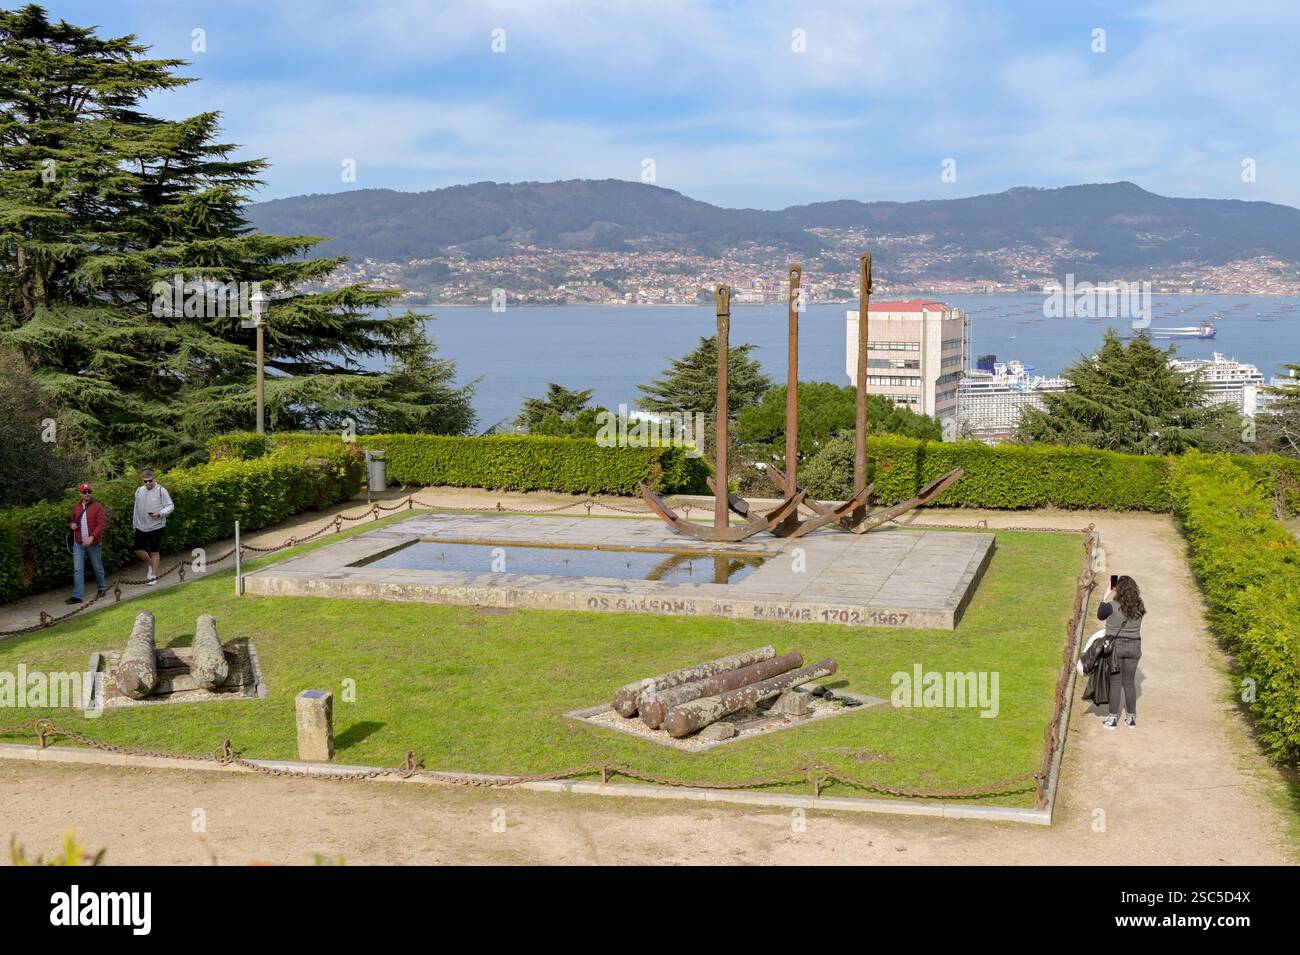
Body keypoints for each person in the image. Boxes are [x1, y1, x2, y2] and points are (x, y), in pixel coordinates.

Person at [1097, 575, 1145, 729]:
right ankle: (1131, 718)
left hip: (1116, 647)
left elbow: (1100, 615)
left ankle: (1112, 719)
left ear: (1118, 589)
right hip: (1134, 646)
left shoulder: (1111, 605)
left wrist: (1106, 595)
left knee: (1116, 682)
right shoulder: (1140, 606)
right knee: (1129, 682)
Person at [66, 483, 107, 604]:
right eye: (84, 492)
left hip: (93, 543)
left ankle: (102, 589)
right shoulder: (76, 507)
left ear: (92, 493)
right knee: (78, 569)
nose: (87, 494)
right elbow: (73, 521)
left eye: (89, 491)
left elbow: (101, 524)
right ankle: (77, 596)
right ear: (81, 494)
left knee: (97, 567)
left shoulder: (97, 507)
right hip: (78, 543)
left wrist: (92, 537)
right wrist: (72, 525)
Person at [132, 469, 174, 586]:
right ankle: (151, 564)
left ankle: (153, 575)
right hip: (141, 526)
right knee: (137, 549)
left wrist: (159, 513)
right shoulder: (139, 491)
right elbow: (136, 508)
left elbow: (170, 506)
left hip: (157, 526)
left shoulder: (161, 490)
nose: (147, 483)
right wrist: (134, 524)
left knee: (154, 551)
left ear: (153, 479)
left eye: (149, 481)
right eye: (145, 481)